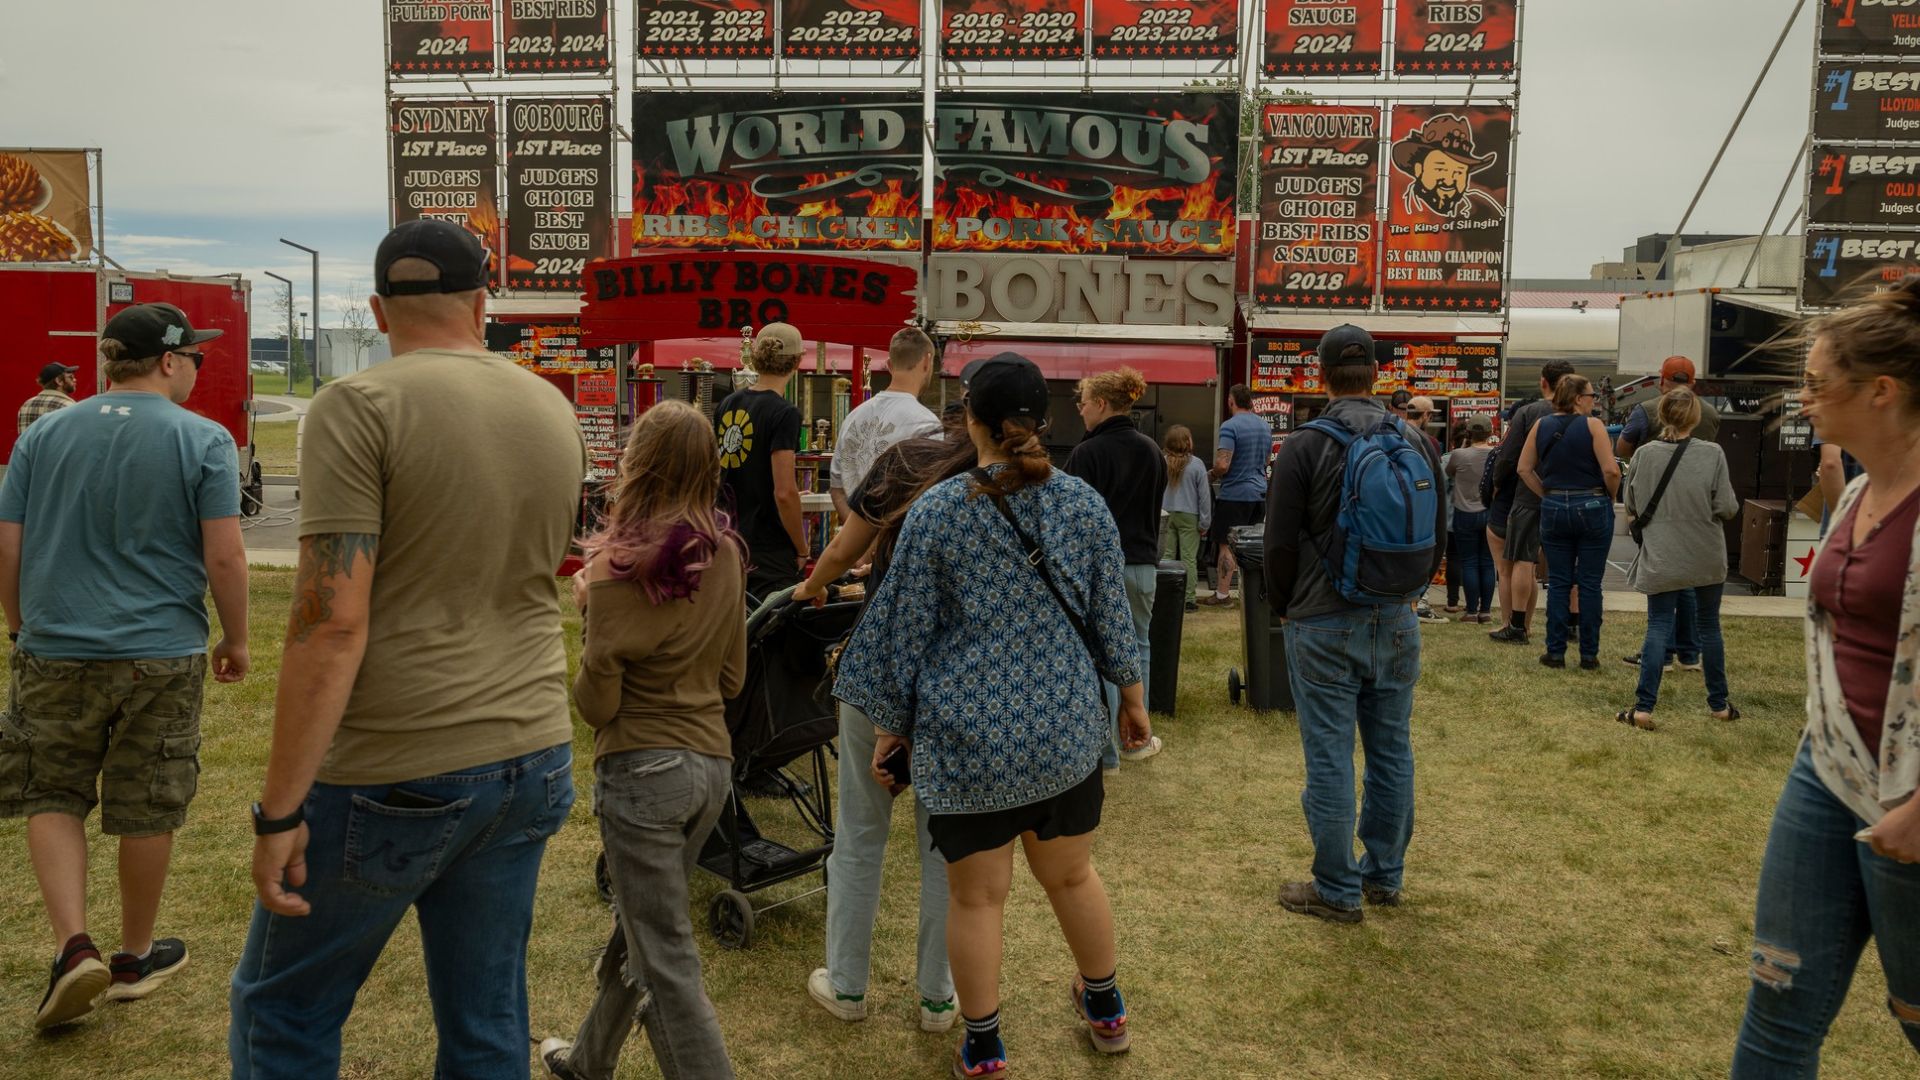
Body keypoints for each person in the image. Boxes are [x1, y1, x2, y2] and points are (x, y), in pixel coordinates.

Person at [230, 221, 587, 1077]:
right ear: (481, 301)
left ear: (379, 310)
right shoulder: (550, 403)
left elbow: (330, 620)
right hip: (531, 749)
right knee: (487, 1018)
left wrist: (280, 812)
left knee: (284, 1007)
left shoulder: (358, 405)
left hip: (398, 761)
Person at [833, 353, 1152, 1079]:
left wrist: (891, 728)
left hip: (968, 736)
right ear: (1040, 421)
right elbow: (1112, 618)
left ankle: (982, 1047)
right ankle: (1105, 1010)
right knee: (1073, 878)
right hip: (1066, 728)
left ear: (969, 417)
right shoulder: (1081, 503)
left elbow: (903, 631)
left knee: (976, 898)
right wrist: (1131, 700)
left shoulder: (940, 512)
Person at [0, 304, 247, 1029]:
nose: (199, 366)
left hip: (54, 646)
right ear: (168, 361)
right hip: (161, 651)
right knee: (149, 799)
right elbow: (226, 554)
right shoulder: (204, 439)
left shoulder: (41, 433)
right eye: (195, 355)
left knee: (53, 791)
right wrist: (236, 638)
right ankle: (135, 956)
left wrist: (20, 624)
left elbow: (7, 546)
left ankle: (74, 947)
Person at [1732, 281, 1920, 1073]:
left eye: (1815, 383)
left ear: (1881, 391)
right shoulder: (1852, 501)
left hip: (1911, 798)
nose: (1801, 399)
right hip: (1830, 770)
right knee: (1777, 1008)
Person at [538, 400, 745, 1080]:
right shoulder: (727, 552)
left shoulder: (615, 568)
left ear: (637, 466)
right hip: (709, 767)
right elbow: (734, 677)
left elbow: (598, 705)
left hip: (645, 771)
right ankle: (590, 1059)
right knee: (643, 929)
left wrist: (590, 620)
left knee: (664, 955)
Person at [1262, 324, 1445, 924]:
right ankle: (1385, 876)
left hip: (1320, 619)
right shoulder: (1415, 440)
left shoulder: (1304, 446)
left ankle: (1336, 888)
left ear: (1320, 375)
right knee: (1392, 750)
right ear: (1378, 374)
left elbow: (1280, 543)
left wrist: (1282, 602)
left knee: (1330, 755)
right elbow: (1436, 533)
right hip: (1395, 615)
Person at [797, 409, 965, 1039]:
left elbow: (845, 548)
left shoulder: (905, 464)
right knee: (946, 849)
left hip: (881, 669)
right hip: (962, 684)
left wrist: (811, 586)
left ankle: (846, 983)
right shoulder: (1015, 484)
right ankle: (938, 998)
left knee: (860, 832)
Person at [1616, 389, 1738, 730]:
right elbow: (1726, 507)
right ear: (1696, 417)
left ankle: (1643, 708)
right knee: (1709, 627)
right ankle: (1719, 705)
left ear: (1662, 416)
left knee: (1657, 626)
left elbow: (1633, 504)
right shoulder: (1713, 454)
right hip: (1705, 552)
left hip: (1662, 552)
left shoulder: (1644, 455)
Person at [1067, 366, 1166, 768]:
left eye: (1084, 402)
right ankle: (1137, 736)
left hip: (1098, 569)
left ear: (1102, 404)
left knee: (1103, 653)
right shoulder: (1152, 449)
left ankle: (1107, 748)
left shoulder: (1085, 454)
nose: (1081, 410)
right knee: (1138, 645)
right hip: (1143, 564)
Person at [1517, 374, 1620, 671]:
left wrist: (1546, 493)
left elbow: (1524, 468)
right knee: (1589, 583)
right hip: (1591, 502)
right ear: (1577, 398)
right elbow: (1611, 471)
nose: (1593, 401)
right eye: (1590, 396)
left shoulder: (1541, 426)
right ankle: (1588, 654)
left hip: (1553, 505)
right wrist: (1609, 498)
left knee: (1558, 582)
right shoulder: (1593, 427)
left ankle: (1555, 651)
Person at [715, 323, 809, 600]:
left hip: (728, 538)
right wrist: (802, 548)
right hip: (768, 547)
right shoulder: (785, 413)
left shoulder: (728, 404)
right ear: (798, 360)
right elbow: (784, 492)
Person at [1488, 360, 1576, 644]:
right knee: (1565, 563)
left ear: (1543, 382)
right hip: (1571, 495)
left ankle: (1514, 625)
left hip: (1529, 493)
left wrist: (1496, 484)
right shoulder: (1583, 415)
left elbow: (1509, 457)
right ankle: (1571, 624)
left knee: (1521, 561)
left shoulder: (1529, 413)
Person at [828, 327, 940, 522]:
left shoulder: (853, 417)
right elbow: (929, 498)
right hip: (896, 544)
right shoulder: (927, 424)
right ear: (927, 361)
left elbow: (837, 489)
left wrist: (856, 540)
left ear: (889, 364)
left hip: (854, 544)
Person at [1200, 384, 1270, 607]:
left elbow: (1223, 463)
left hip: (1235, 494)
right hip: (1259, 494)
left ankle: (1222, 595)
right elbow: (1267, 461)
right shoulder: (1264, 426)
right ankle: (1254, 593)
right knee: (1251, 547)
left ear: (1231, 401)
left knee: (1226, 545)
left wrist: (1211, 475)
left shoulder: (1230, 426)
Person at [1615, 355, 1721, 461]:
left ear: (1662, 380)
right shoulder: (1711, 413)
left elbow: (1622, 450)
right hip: (1698, 476)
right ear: (1693, 383)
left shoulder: (1645, 410)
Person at [1445, 417, 1497, 623]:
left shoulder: (1458, 455)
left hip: (1464, 513)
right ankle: (1486, 611)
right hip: (1490, 512)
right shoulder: (1496, 454)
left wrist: (1465, 448)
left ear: (1468, 434)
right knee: (1487, 562)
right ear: (1490, 432)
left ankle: (1472, 610)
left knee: (1469, 562)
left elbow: (1449, 473)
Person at [1161, 424, 1211, 611]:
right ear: (1187, 442)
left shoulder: (1162, 461)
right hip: (1190, 515)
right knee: (1188, 559)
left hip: (1165, 514)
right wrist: (1205, 521)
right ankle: (1188, 599)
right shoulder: (1196, 464)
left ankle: (1165, 595)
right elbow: (1204, 496)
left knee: (1166, 557)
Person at [16, 361, 78, 435]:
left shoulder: (26, 405)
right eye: (70, 377)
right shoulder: (68, 406)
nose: (74, 380)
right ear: (59, 381)